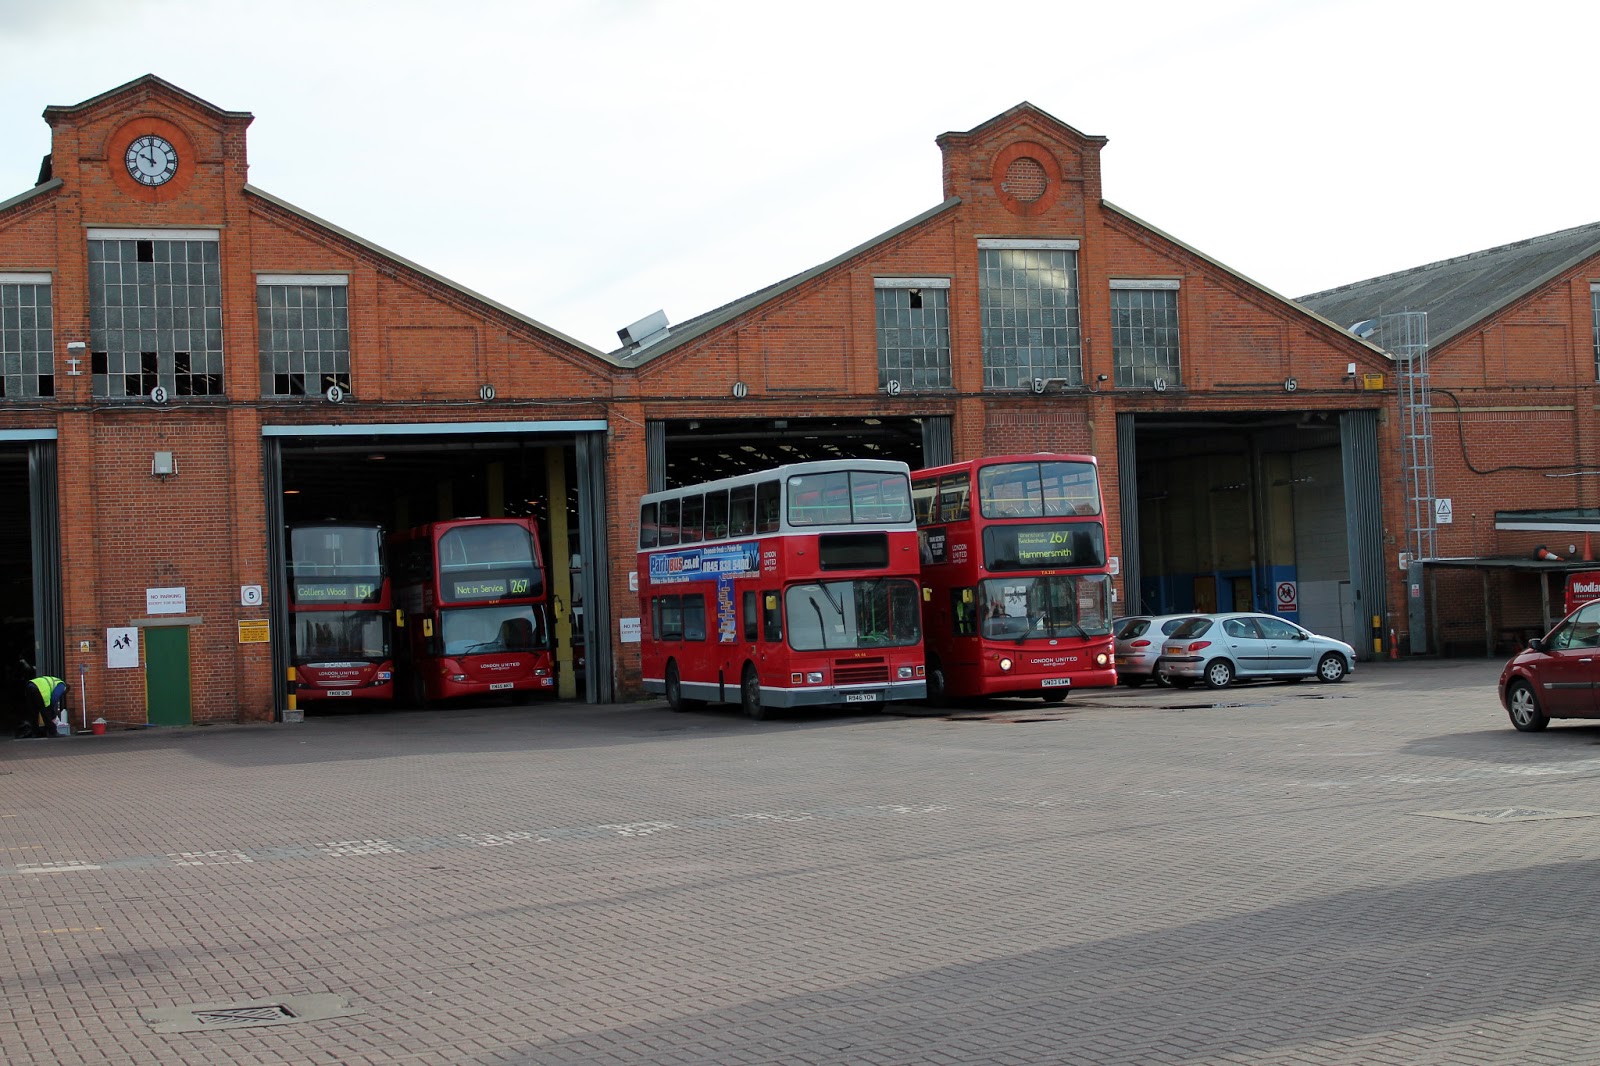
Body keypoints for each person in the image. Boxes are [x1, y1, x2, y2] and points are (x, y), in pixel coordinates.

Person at [22, 673, 69, 737]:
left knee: (33, 712)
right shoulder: (62, 685)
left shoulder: (53, 680)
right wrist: (52, 711)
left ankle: (35, 733)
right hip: (41, 690)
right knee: (46, 713)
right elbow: (54, 697)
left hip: (29, 686)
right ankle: (53, 732)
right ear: (65, 689)